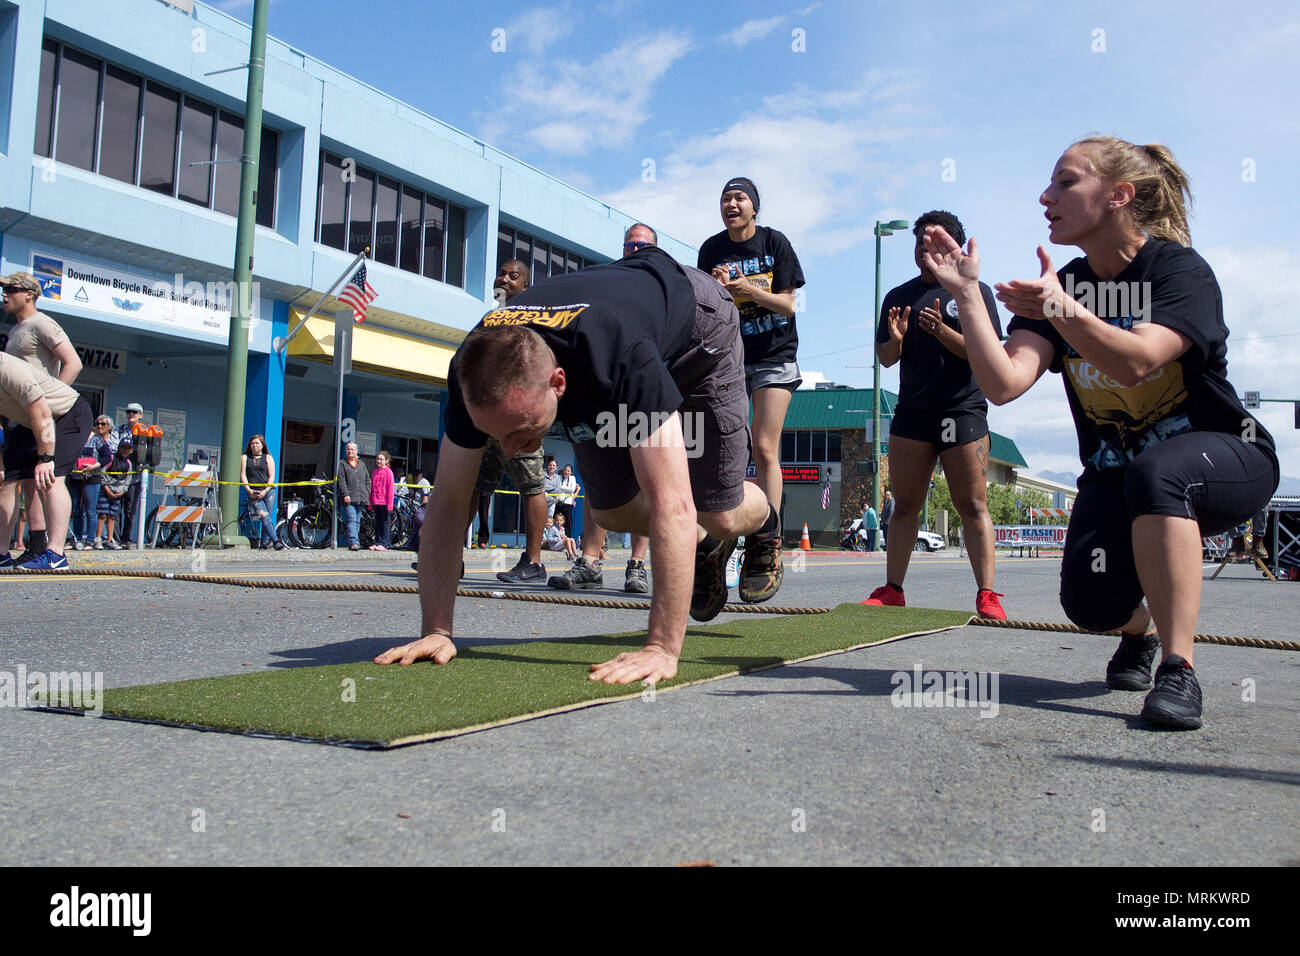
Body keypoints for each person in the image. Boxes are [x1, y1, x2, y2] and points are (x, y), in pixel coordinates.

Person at [920, 136, 1278, 730]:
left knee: (1159, 471)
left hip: (1226, 458)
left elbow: (1138, 360)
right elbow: (1005, 382)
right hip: (1119, 477)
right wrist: (967, 296)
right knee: (1089, 606)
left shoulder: (1178, 270)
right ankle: (1137, 631)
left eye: (1065, 182)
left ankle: (1178, 667)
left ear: (1119, 195)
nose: (1045, 196)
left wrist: (1061, 309)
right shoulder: (1067, 283)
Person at [374, 243, 780, 685]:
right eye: (496, 436)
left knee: (715, 509)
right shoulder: (471, 371)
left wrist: (661, 648)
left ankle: (764, 526)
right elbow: (449, 504)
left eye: (521, 430)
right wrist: (436, 630)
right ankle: (699, 545)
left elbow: (672, 503)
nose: (510, 451)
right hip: (606, 331)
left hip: (698, 330)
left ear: (558, 384)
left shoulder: (618, 358)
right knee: (611, 511)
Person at [864, 211, 1006, 619]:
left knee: (972, 504)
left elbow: (987, 356)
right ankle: (893, 589)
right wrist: (896, 341)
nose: (925, 245)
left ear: (953, 246)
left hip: (962, 410)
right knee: (905, 503)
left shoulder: (972, 294)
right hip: (913, 412)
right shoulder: (896, 295)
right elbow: (886, 360)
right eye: (919, 240)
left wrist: (943, 332)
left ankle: (987, 594)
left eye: (934, 239)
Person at [697, 178, 805, 599]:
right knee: (725, 447)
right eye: (725, 198)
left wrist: (745, 289)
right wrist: (720, 289)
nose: (731, 203)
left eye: (739, 197)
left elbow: (789, 304)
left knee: (763, 447)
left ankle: (767, 541)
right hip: (729, 357)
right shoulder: (711, 249)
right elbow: (705, 303)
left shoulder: (774, 242)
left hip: (776, 357)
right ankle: (721, 533)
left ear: (754, 207)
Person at [548, 224, 659, 595]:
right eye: (631, 244)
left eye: (643, 244)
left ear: (654, 250)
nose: (636, 249)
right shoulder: (610, 279)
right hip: (607, 393)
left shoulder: (661, 286)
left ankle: (637, 566)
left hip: (647, 393)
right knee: (598, 481)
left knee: (648, 482)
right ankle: (590, 562)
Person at [2, 272, 83, 562]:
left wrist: (56, 402)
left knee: (47, 478)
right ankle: (34, 545)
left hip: (45, 410)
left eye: (11, 289)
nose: (4, 294)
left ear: (29, 294)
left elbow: (74, 362)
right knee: (22, 482)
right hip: (21, 415)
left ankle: (52, 550)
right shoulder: (16, 331)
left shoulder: (42, 323)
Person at [0, 350, 91, 569]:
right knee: (6, 482)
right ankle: (2, 554)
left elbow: (41, 412)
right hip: (28, 422)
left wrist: (47, 457)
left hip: (66, 415)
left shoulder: (8, 369)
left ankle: (56, 555)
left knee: (52, 479)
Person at [69, 416, 112, 549]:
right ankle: (76, 538)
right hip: (75, 478)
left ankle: (90, 540)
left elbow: (107, 456)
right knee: (77, 510)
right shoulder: (75, 438)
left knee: (90, 511)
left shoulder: (96, 439)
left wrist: (94, 466)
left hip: (92, 478)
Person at [108, 402, 145, 546]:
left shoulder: (144, 432)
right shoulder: (118, 430)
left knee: (130, 511)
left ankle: (126, 539)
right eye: (129, 411)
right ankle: (115, 539)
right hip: (118, 476)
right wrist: (129, 451)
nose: (131, 414)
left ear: (140, 415)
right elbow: (113, 447)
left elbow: (143, 453)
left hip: (135, 478)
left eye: (135, 412)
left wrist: (126, 450)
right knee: (116, 510)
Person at [241, 434, 283, 550]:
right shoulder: (245, 457)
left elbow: (271, 476)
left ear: (262, 445)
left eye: (257, 443)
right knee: (263, 515)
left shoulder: (268, 458)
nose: (254, 445)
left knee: (267, 517)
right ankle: (275, 541)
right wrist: (248, 489)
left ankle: (264, 544)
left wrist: (265, 491)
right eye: (252, 443)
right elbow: (243, 475)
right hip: (253, 492)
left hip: (268, 491)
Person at [96, 436, 133, 550]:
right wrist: (107, 489)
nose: (125, 450)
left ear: (131, 450)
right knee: (102, 514)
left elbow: (127, 480)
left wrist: (122, 491)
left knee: (112, 516)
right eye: (123, 447)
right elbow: (102, 474)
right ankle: (97, 539)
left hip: (118, 493)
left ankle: (110, 539)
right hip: (106, 491)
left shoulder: (128, 463)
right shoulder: (111, 458)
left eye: (128, 448)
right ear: (118, 447)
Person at [337, 442, 370, 551]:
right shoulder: (343, 464)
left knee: (356, 521)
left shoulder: (361, 464)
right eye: (348, 449)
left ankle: (354, 541)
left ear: (356, 451)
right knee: (351, 519)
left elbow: (367, 479)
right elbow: (341, 481)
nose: (350, 451)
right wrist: (345, 494)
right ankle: (354, 542)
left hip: (360, 498)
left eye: (352, 449)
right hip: (349, 498)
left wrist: (367, 491)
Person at [369, 451, 395, 551]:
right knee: (378, 523)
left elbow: (390, 490)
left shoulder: (388, 472)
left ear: (386, 461)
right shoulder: (375, 472)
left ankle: (384, 544)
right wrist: (371, 502)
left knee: (385, 523)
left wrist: (389, 505)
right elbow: (372, 488)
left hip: (384, 502)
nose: (379, 461)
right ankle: (377, 542)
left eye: (381, 459)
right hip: (376, 502)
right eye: (378, 459)